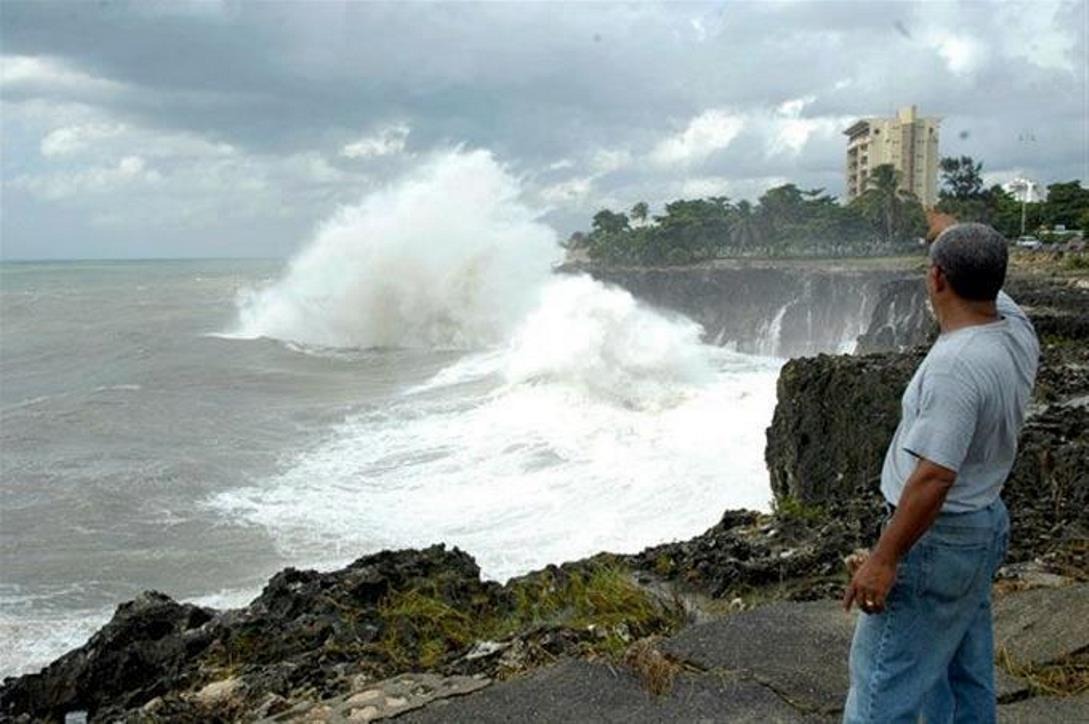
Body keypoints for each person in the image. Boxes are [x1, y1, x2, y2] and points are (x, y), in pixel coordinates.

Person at [842, 223, 1040, 723]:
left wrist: (885, 558)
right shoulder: (1014, 328)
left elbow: (935, 476)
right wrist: (945, 226)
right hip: (981, 525)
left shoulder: (957, 365)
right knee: (962, 676)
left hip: (936, 541)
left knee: (880, 689)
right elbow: (979, 267)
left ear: (936, 279)